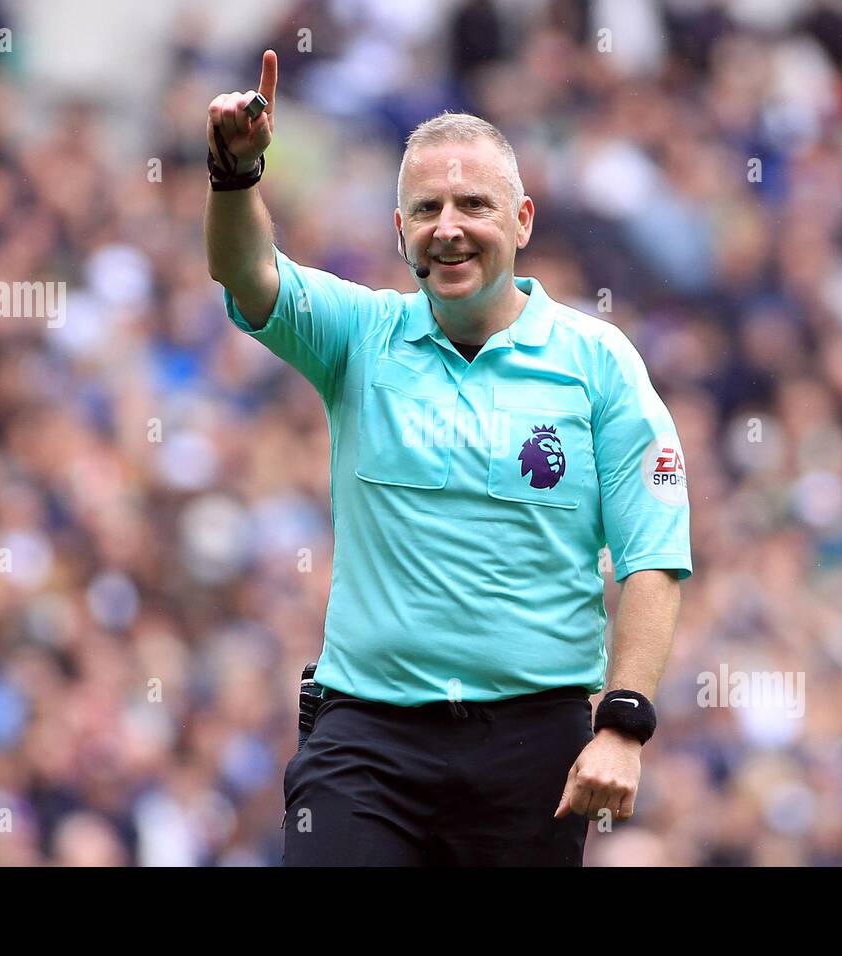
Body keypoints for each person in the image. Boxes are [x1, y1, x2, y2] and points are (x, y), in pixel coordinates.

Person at [204, 50, 692, 866]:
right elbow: (247, 272)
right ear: (401, 233)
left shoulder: (600, 363)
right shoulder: (359, 336)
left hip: (535, 746)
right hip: (367, 738)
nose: (450, 227)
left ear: (524, 220)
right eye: (426, 208)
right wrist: (234, 172)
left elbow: (652, 554)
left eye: (474, 204)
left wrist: (624, 721)